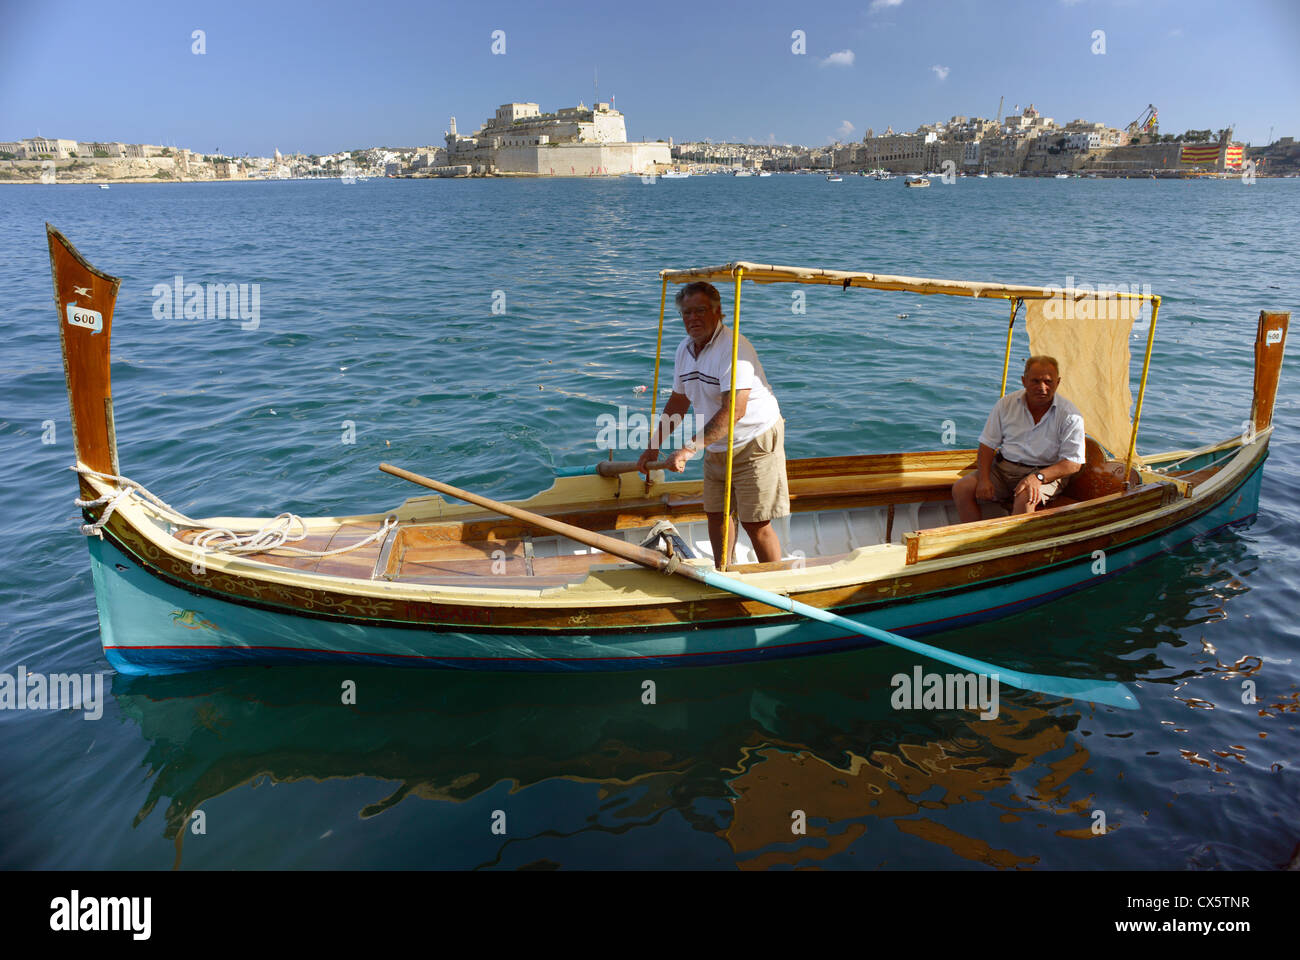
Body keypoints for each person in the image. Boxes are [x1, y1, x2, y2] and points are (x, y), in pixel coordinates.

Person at [636, 281, 788, 566]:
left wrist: (687, 450)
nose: (693, 318)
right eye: (687, 313)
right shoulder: (684, 349)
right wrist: (652, 448)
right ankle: (723, 572)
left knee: (755, 522)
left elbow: (734, 412)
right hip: (716, 440)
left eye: (700, 311)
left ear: (718, 312)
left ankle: (774, 578)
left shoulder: (734, 349)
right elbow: (678, 403)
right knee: (717, 514)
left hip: (754, 438)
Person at [952, 356, 1085, 522]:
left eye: (1048, 381)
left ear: (1057, 383)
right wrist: (984, 479)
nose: (1042, 388)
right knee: (962, 488)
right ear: (1024, 381)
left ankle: (1013, 543)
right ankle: (973, 540)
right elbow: (987, 444)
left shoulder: (1070, 415)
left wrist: (1038, 477)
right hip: (1003, 470)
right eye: (1035, 381)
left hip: (1046, 473)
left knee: (1027, 495)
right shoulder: (1005, 404)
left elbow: (1073, 463)